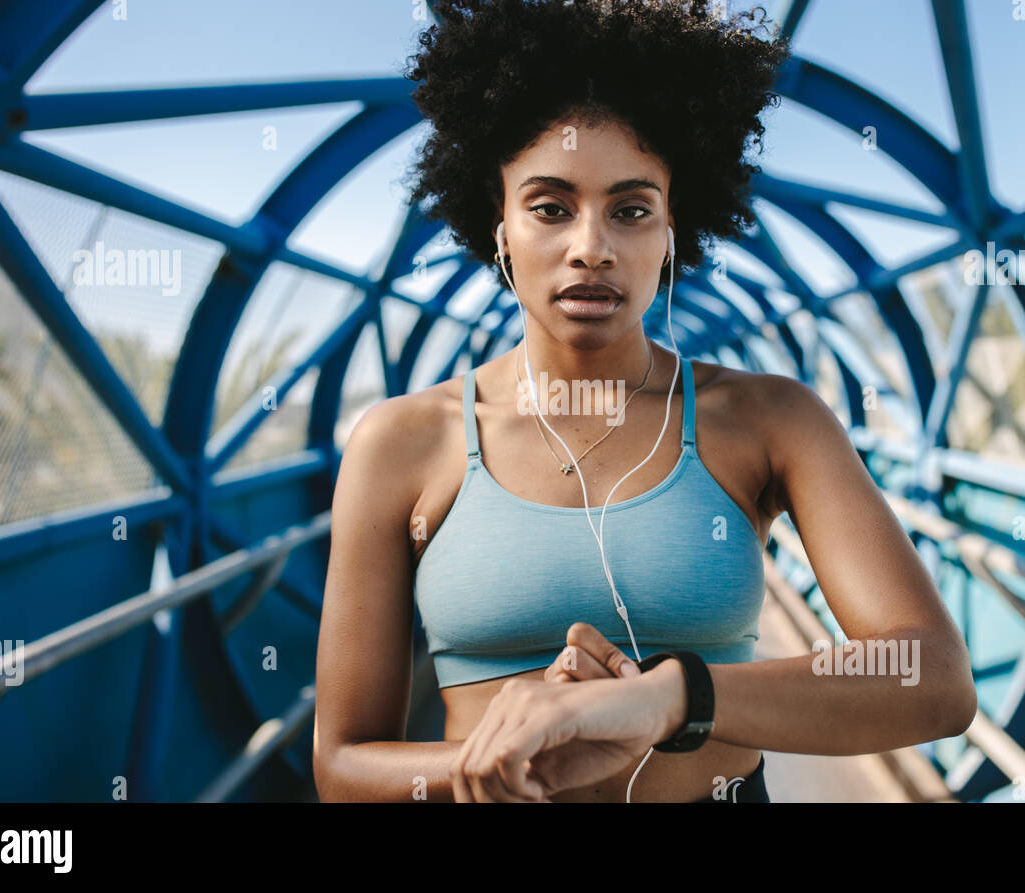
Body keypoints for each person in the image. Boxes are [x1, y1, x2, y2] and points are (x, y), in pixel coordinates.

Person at [313, 0, 976, 803]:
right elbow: (340, 763)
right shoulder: (402, 442)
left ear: (671, 233)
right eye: (550, 207)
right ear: (499, 228)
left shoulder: (768, 419)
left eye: (631, 210)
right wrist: (492, 762)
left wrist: (674, 697)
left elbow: (932, 676)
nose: (591, 245)